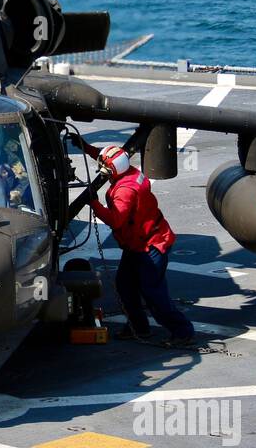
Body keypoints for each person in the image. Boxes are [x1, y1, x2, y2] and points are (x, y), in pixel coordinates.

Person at [74, 138, 196, 346]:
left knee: (153, 292)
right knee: (125, 285)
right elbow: (107, 159)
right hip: (139, 243)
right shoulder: (127, 171)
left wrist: (93, 202)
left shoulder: (125, 191)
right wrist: (84, 146)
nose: (101, 169)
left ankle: (182, 332)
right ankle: (139, 327)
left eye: (104, 167)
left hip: (150, 246)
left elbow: (116, 220)